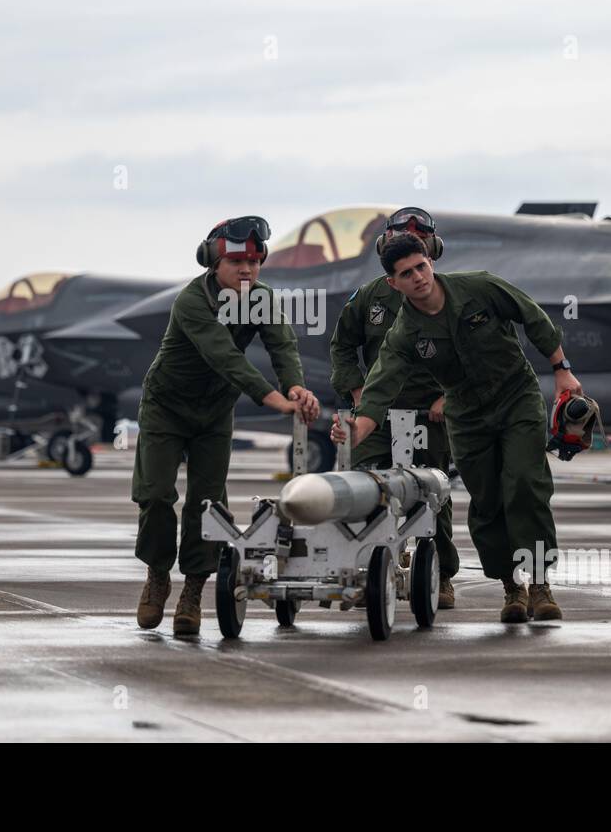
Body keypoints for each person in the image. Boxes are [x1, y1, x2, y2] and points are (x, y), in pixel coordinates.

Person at [333, 234, 581, 623]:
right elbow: (381, 385)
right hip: (465, 414)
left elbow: (531, 315)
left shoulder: (479, 287)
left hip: (516, 397)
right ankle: (510, 586)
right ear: (392, 284)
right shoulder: (404, 334)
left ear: (430, 262)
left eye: (421, 266)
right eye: (406, 273)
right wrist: (357, 430)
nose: (417, 277)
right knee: (485, 501)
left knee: (525, 484)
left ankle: (538, 584)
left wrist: (561, 370)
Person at [134, 216, 321, 635]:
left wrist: (294, 387)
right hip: (166, 406)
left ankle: (193, 592)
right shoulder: (192, 301)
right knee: (156, 494)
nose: (247, 270)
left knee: (208, 503)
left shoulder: (261, 298)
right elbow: (225, 356)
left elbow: (282, 344)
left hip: (214, 411)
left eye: (255, 262)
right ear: (213, 262)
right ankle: (158, 575)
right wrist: (270, 398)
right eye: (237, 261)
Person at [329, 207, 459, 608]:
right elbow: (342, 346)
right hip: (377, 415)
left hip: (428, 414)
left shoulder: (449, 295)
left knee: (432, 494)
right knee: (365, 486)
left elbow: (471, 354)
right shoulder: (370, 297)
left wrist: (447, 396)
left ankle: (440, 575)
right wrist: (356, 392)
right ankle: (370, 569)